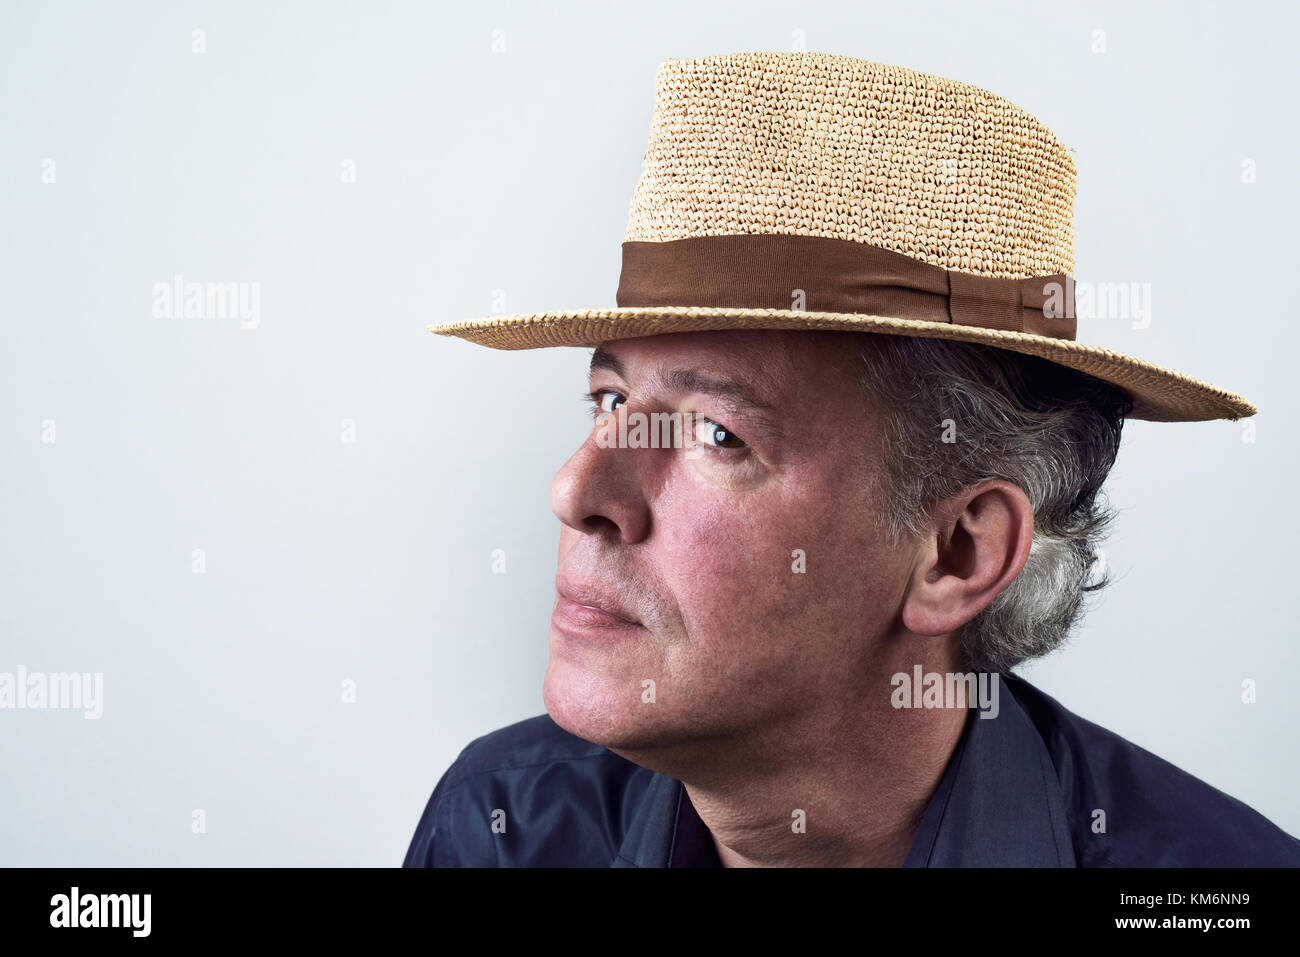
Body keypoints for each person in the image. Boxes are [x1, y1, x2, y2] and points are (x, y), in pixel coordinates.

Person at [403, 51, 1297, 867]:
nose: (576, 491)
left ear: (957, 552)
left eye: (718, 433)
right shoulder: (505, 825)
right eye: (611, 401)